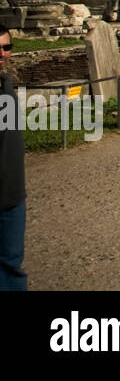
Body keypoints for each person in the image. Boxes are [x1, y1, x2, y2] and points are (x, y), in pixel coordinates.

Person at [0, 24, 27, 290]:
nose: (3, 54)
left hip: (14, 196)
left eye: (7, 47)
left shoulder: (6, 84)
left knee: (12, 263)